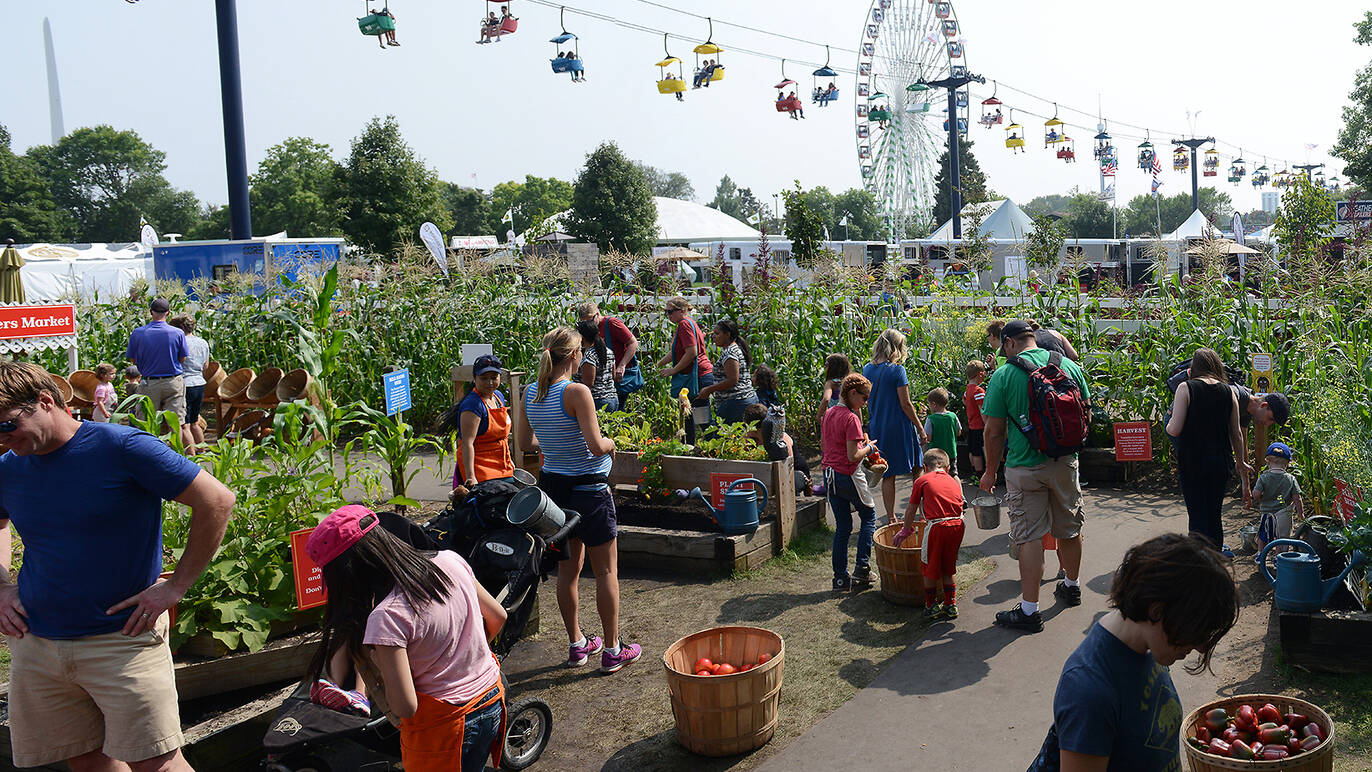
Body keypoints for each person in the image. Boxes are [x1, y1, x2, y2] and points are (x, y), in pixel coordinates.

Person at [0, 360, 234, 771]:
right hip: (38, 642)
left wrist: (175, 586)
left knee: (156, 762)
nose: (2, 439)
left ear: (44, 401)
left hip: (122, 640)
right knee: (86, 758)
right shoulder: (9, 468)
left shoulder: (122, 447)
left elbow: (216, 500)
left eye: (6, 425)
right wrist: (2, 587)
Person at [306, 505, 507, 772]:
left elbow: (405, 706)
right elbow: (498, 616)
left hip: (443, 729)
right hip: (492, 699)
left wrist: (379, 664)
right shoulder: (450, 560)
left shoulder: (387, 616)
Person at [1026, 534, 1239, 772]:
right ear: (1157, 611)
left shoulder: (1148, 646)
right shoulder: (1089, 690)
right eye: (1197, 631)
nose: (1201, 647)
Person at [517, 327, 641, 674]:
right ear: (575, 356)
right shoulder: (576, 392)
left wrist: (556, 445)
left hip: (555, 492)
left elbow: (526, 442)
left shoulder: (531, 392)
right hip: (590, 489)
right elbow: (595, 445)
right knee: (606, 572)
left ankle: (577, 645)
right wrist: (612, 442)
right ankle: (613, 649)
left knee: (567, 573)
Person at [980, 320, 1090, 634]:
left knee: (1029, 536)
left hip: (1024, 467)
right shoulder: (1068, 366)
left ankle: (1030, 611)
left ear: (1010, 343)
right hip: (1066, 462)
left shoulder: (1003, 375)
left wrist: (990, 472)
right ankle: (1071, 585)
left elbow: (993, 430)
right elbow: (1087, 414)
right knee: (1070, 527)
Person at [1165, 348, 1253, 553]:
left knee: (1197, 516)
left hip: (1193, 463)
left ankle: (1199, 567)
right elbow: (1236, 433)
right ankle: (1216, 560)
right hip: (1220, 464)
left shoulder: (1186, 388)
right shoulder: (1228, 391)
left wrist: (1168, 420)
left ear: (1193, 368)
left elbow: (1174, 430)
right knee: (1214, 515)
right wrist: (1240, 462)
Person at [863, 329, 929, 526]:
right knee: (917, 467)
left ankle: (891, 517)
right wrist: (920, 428)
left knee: (887, 471)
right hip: (899, 425)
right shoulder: (897, 370)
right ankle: (923, 514)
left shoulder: (867, 368)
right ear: (896, 347)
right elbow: (905, 404)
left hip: (878, 425)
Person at [823, 374, 880, 591]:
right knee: (869, 516)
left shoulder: (830, 413)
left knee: (843, 527)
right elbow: (852, 456)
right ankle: (862, 568)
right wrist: (870, 448)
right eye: (864, 398)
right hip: (846, 474)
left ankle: (840, 579)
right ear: (852, 393)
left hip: (830, 476)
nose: (866, 403)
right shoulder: (850, 418)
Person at [896, 448, 964, 621]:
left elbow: (911, 507)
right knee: (949, 566)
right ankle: (950, 605)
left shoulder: (922, 480)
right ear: (947, 468)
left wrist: (906, 529)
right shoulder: (953, 481)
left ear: (925, 467)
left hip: (938, 527)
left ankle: (931, 605)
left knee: (930, 567)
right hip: (958, 524)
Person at [438, 354, 514, 492]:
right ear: (474, 379)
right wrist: (470, 476)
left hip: (502, 464)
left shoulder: (499, 397)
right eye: (483, 378)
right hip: (481, 468)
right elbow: (467, 443)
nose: (490, 383)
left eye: (493, 378)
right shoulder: (473, 405)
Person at [125, 298, 192, 450]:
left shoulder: (138, 333)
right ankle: (176, 456)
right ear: (168, 313)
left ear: (150, 312)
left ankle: (148, 455)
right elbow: (182, 358)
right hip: (173, 381)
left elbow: (133, 359)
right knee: (175, 423)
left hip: (149, 382)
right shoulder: (177, 333)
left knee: (147, 423)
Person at [656, 297, 713, 429]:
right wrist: (659, 364)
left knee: (701, 419)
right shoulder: (689, 323)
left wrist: (673, 370)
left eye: (670, 312)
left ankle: (712, 446)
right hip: (698, 376)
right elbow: (675, 353)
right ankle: (690, 447)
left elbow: (692, 352)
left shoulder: (684, 324)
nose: (668, 315)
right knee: (688, 417)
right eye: (666, 312)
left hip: (698, 377)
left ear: (682, 311)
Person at [577, 302, 642, 411]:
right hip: (604, 379)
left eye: (589, 320)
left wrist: (622, 366)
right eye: (583, 322)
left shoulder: (612, 324)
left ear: (597, 314)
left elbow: (633, 343)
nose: (587, 325)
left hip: (617, 377)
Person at [697, 319, 758, 424]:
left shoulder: (730, 353)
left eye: (717, 333)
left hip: (735, 403)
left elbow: (732, 380)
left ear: (727, 334)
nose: (713, 337)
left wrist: (708, 389)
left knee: (721, 437)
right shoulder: (734, 349)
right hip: (744, 400)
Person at [168, 315, 210, 451]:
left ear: (180, 328)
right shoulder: (203, 342)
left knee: (184, 424)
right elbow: (206, 366)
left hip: (185, 383)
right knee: (194, 422)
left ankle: (191, 455)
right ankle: (202, 451)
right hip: (199, 382)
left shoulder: (179, 342)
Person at [1251, 441, 1303, 548]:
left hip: (1267, 513)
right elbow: (1297, 498)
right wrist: (1300, 513)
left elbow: (1256, 494)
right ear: (1287, 464)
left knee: (1263, 535)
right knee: (1282, 538)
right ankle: (1280, 557)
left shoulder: (1264, 477)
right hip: (1284, 514)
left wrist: (1259, 498)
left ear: (1268, 462)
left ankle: (1261, 554)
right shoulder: (1290, 479)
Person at [574, 319, 619, 412]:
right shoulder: (608, 351)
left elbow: (588, 384)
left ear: (582, 337)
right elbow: (613, 376)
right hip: (613, 398)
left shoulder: (589, 355)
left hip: (598, 401)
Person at [922, 387, 962, 479]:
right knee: (953, 474)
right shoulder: (953, 416)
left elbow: (929, 437)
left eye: (929, 404)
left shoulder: (931, 419)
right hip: (951, 452)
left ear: (934, 404)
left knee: (936, 475)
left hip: (936, 454)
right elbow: (959, 432)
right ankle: (959, 492)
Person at [963, 360, 987, 484]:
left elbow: (964, 401)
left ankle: (973, 473)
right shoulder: (978, 391)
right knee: (978, 452)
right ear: (979, 375)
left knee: (972, 451)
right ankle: (980, 475)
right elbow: (982, 409)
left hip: (972, 425)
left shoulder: (968, 389)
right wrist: (987, 424)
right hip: (980, 425)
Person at [817, 353, 851, 435]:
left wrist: (819, 416)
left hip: (835, 419)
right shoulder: (849, 382)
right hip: (848, 419)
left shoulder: (831, 383)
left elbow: (826, 399)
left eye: (826, 364)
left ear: (833, 367)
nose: (825, 367)